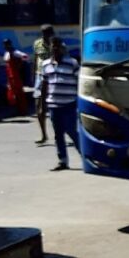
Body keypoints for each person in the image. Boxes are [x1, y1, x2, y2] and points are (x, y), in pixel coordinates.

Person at [41, 36, 80, 171]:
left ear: (63, 48)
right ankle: (62, 161)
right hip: (53, 105)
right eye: (53, 46)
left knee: (72, 132)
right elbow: (45, 84)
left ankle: (87, 157)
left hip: (69, 104)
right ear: (50, 48)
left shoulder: (72, 63)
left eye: (58, 46)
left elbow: (79, 83)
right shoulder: (45, 64)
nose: (56, 48)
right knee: (58, 135)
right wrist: (42, 103)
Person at [32, 24, 55, 144]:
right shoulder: (37, 43)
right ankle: (43, 135)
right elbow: (36, 59)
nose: (45, 35)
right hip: (39, 77)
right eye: (43, 33)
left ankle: (58, 133)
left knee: (54, 108)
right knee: (38, 107)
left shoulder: (57, 45)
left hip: (52, 78)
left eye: (48, 33)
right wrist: (33, 74)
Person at [2, 39, 29, 116]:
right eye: (4, 44)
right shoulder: (7, 53)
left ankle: (23, 110)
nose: (5, 46)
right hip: (10, 75)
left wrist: (19, 64)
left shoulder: (15, 52)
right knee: (12, 94)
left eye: (7, 44)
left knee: (19, 93)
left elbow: (25, 56)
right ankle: (17, 109)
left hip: (15, 76)